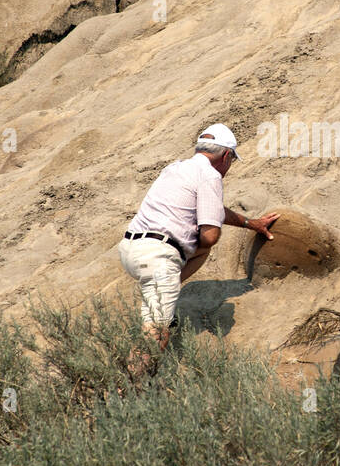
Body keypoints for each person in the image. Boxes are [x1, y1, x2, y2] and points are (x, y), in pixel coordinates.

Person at [118, 123, 279, 371]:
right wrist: (199, 231)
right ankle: (127, 394)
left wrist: (251, 224)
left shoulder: (176, 168)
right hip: (158, 257)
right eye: (232, 160)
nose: (229, 167)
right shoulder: (211, 175)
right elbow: (210, 236)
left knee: (187, 264)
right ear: (226, 156)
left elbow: (212, 209)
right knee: (156, 336)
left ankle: (162, 294)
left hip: (131, 249)